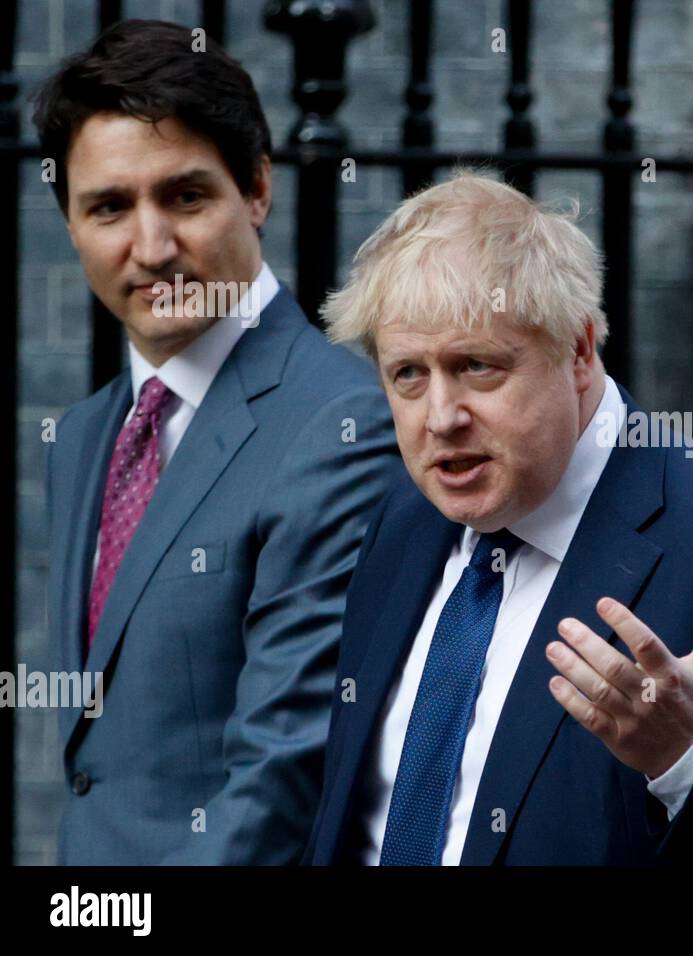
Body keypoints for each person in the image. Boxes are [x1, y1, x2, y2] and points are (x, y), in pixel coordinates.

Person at [303, 172, 693, 865]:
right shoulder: (405, 521)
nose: (440, 418)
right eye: (408, 375)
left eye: (476, 366)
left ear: (577, 349)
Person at [35, 19, 399, 864]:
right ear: (72, 224)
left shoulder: (341, 425)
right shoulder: (84, 438)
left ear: (259, 190)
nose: (153, 247)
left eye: (186, 196)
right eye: (110, 207)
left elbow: (285, 773)